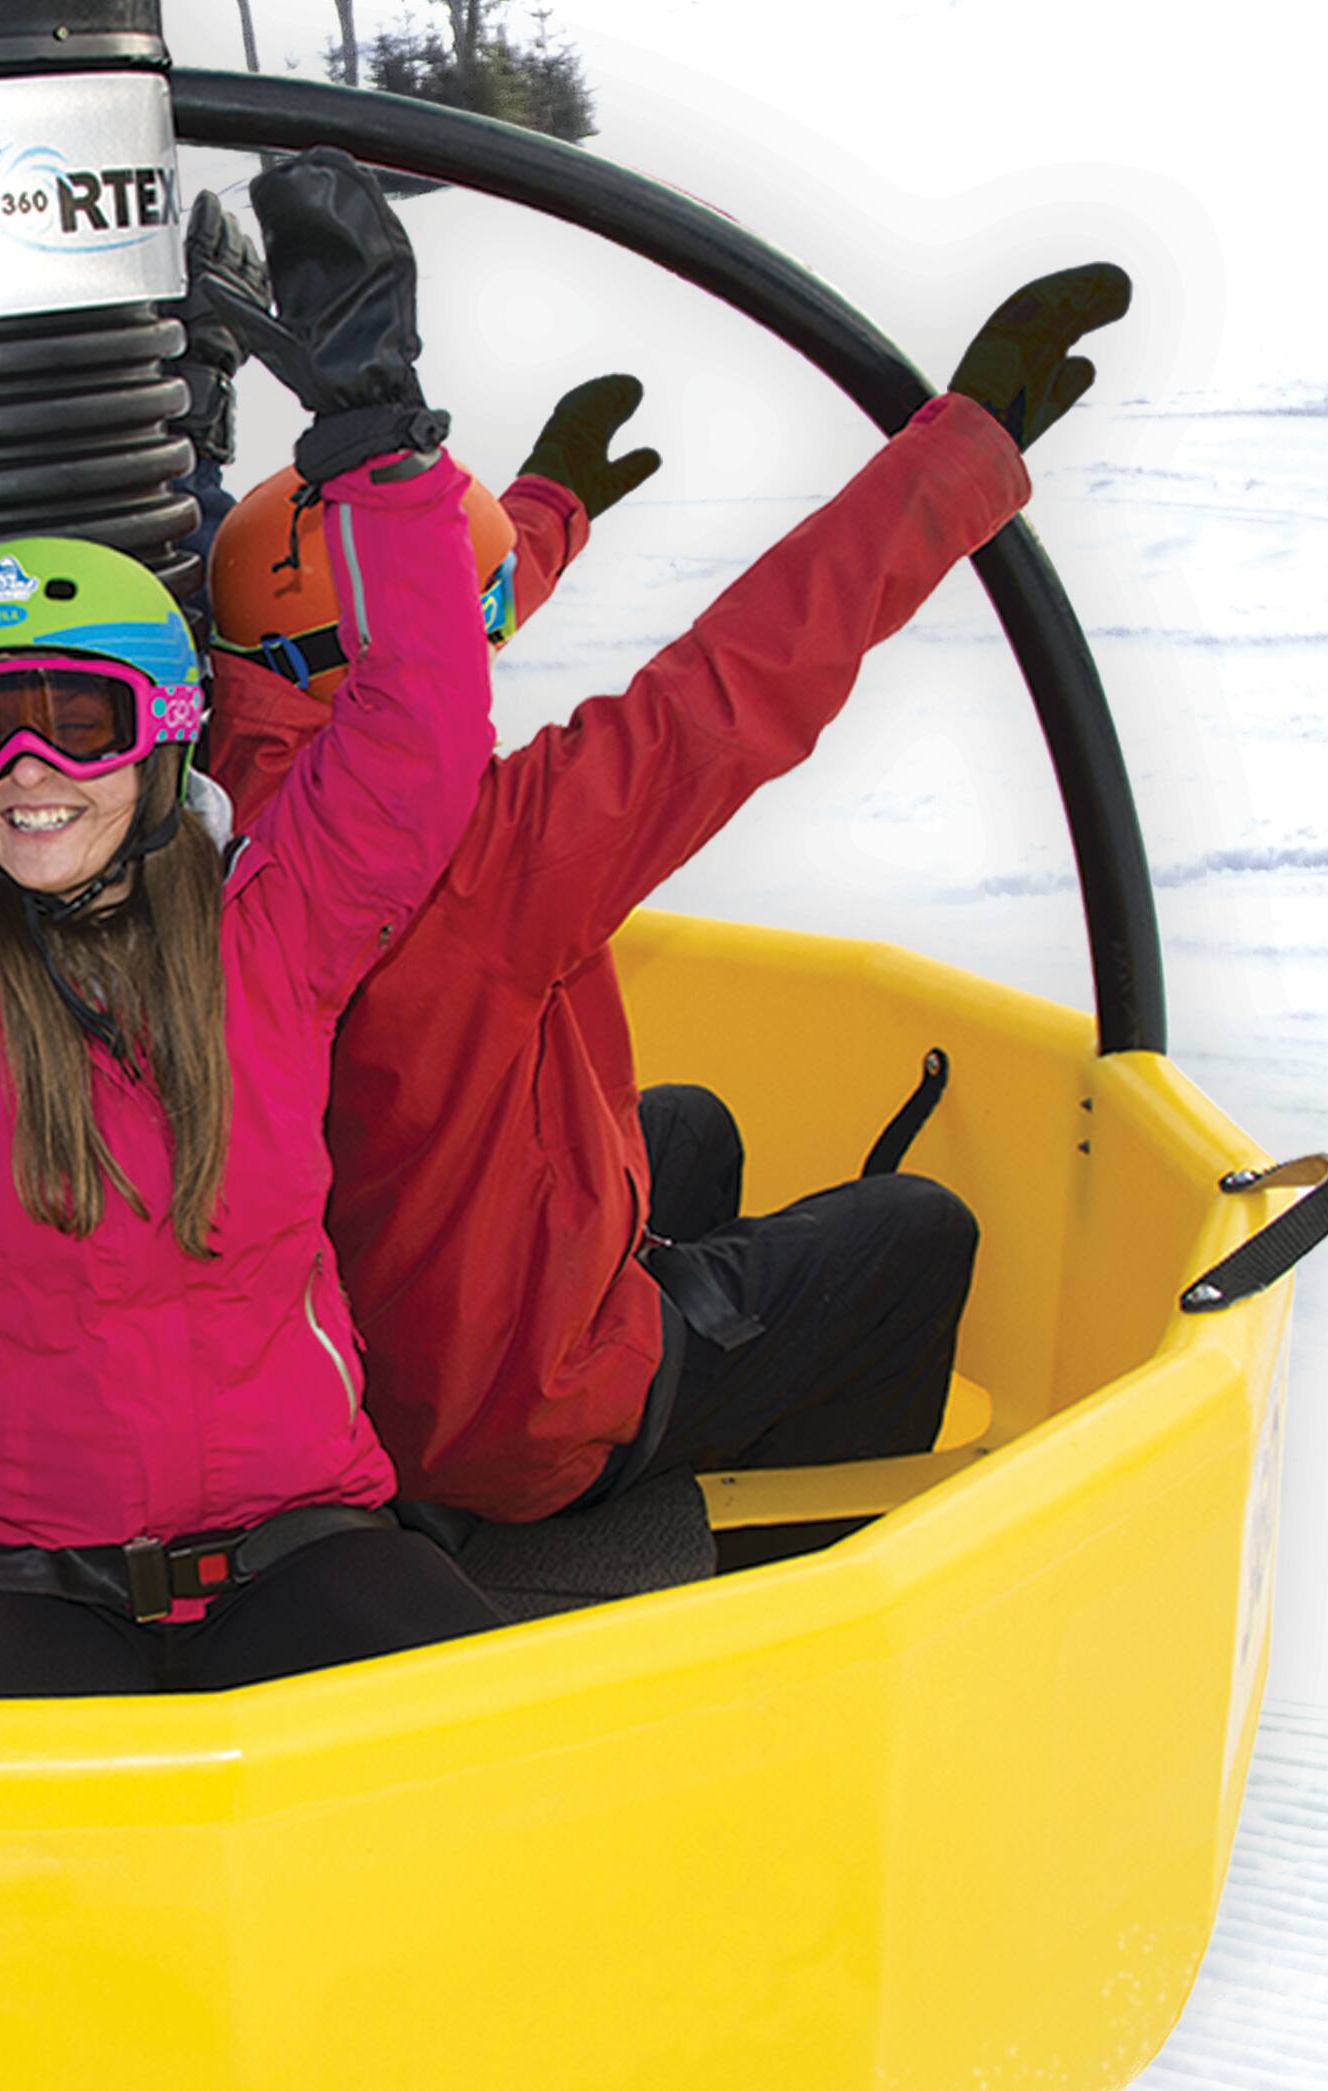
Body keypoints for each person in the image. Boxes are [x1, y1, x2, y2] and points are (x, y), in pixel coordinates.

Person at [0, 145, 512, 1699]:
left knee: (463, 1760)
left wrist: (380, 447)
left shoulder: (272, 936)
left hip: (303, 1539)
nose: (27, 769)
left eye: (78, 716)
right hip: (24, 1566)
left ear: (166, 735)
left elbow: (415, 742)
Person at [198, 263, 1132, 1524]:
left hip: (363, 1365)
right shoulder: (482, 857)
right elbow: (737, 683)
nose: (478, 643)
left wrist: (548, 509)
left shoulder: (215, 777)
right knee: (912, 1237)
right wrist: (961, 450)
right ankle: (797, 1550)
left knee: (684, 1128)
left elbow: (380, 622)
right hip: (502, 1421)